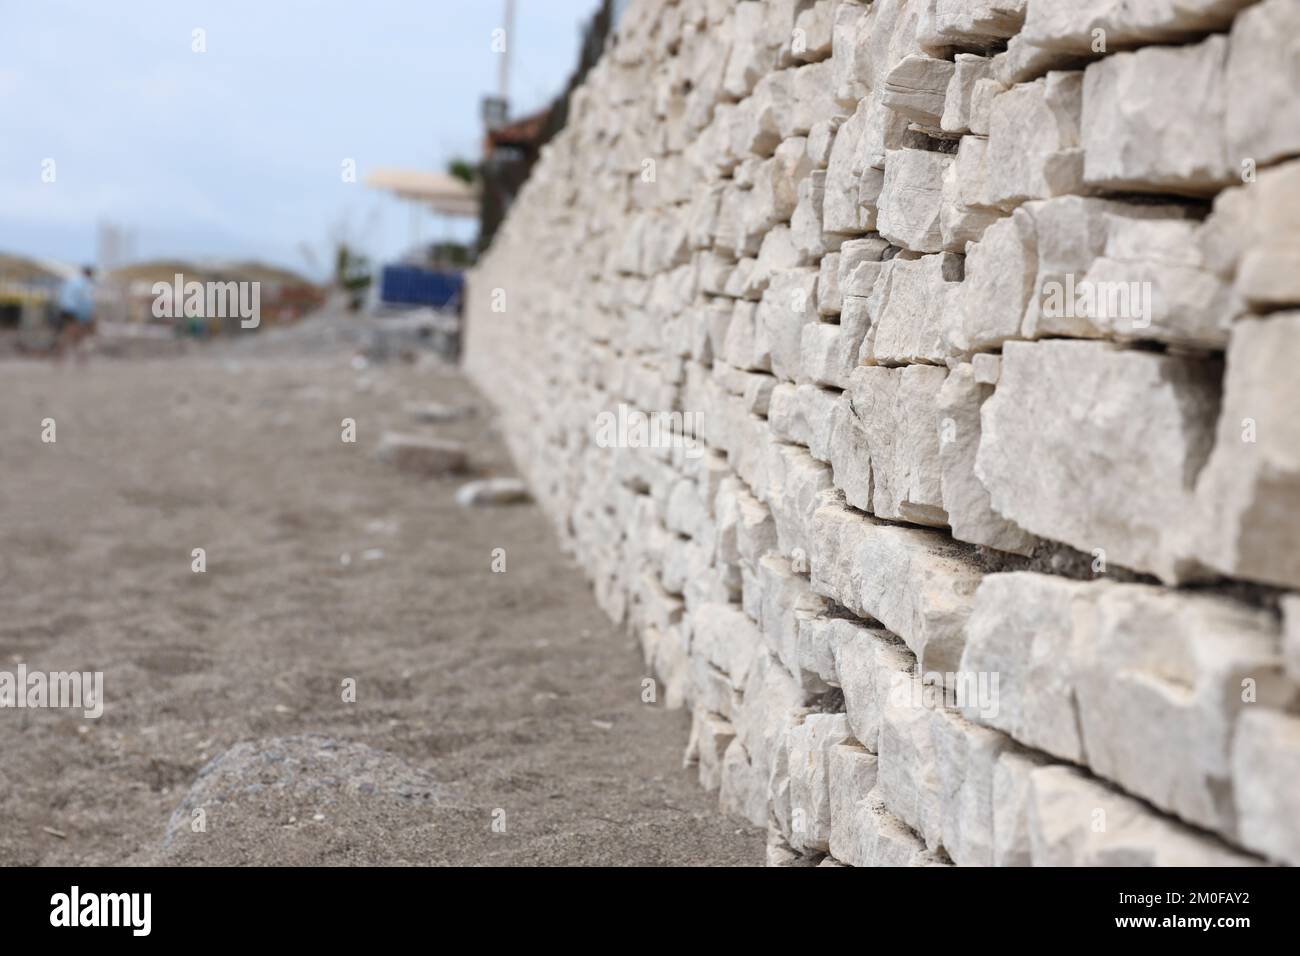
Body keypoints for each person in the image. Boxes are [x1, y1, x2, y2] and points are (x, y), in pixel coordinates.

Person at [55, 266, 96, 359]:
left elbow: (62, 295)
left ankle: (59, 355)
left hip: (64, 309)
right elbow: (85, 301)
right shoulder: (85, 283)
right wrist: (88, 315)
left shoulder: (71, 281)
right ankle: (80, 358)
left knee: (66, 332)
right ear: (89, 274)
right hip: (75, 310)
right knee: (78, 334)